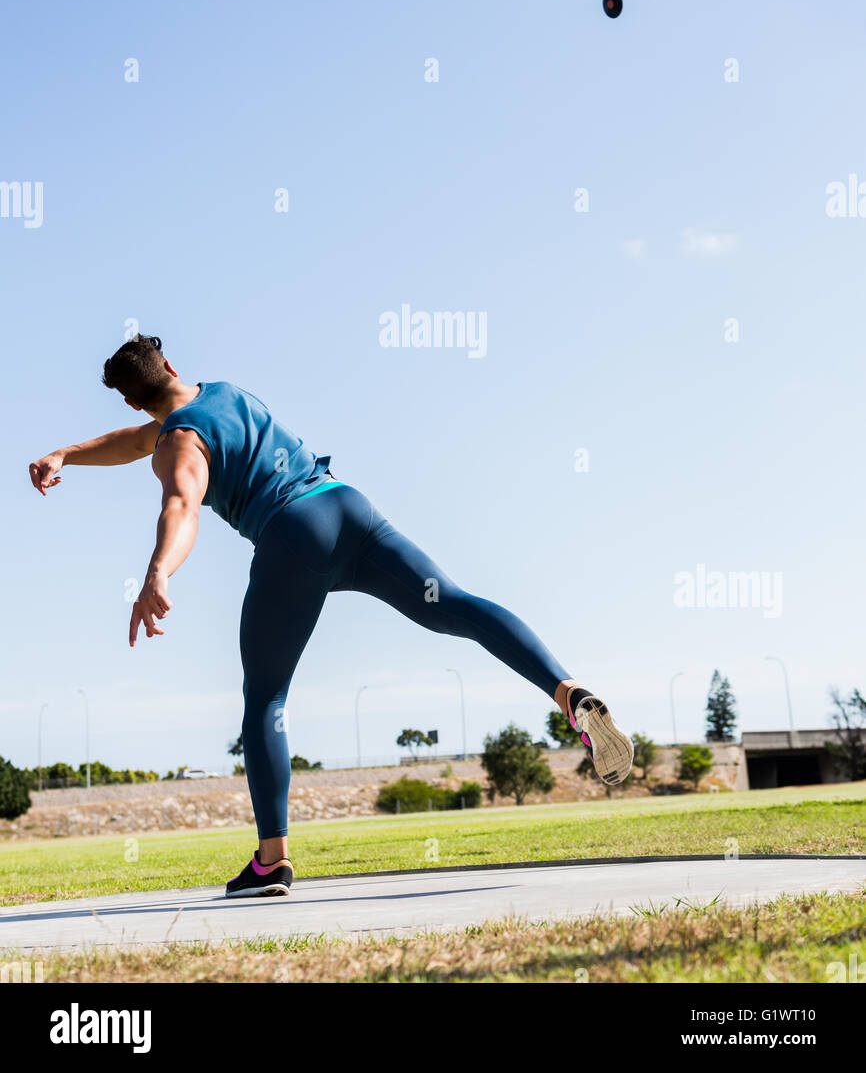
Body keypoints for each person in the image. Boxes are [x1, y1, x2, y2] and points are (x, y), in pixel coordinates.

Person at [29, 333, 633, 898]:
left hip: (294, 537)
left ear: (134, 398)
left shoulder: (177, 443)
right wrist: (66, 454)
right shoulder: (223, 394)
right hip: (347, 507)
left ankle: (272, 858)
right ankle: (567, 691)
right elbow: (138, 441)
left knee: (264, 699)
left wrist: (158, 572)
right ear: (173, 370)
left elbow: (182, 501)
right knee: (453, 606)